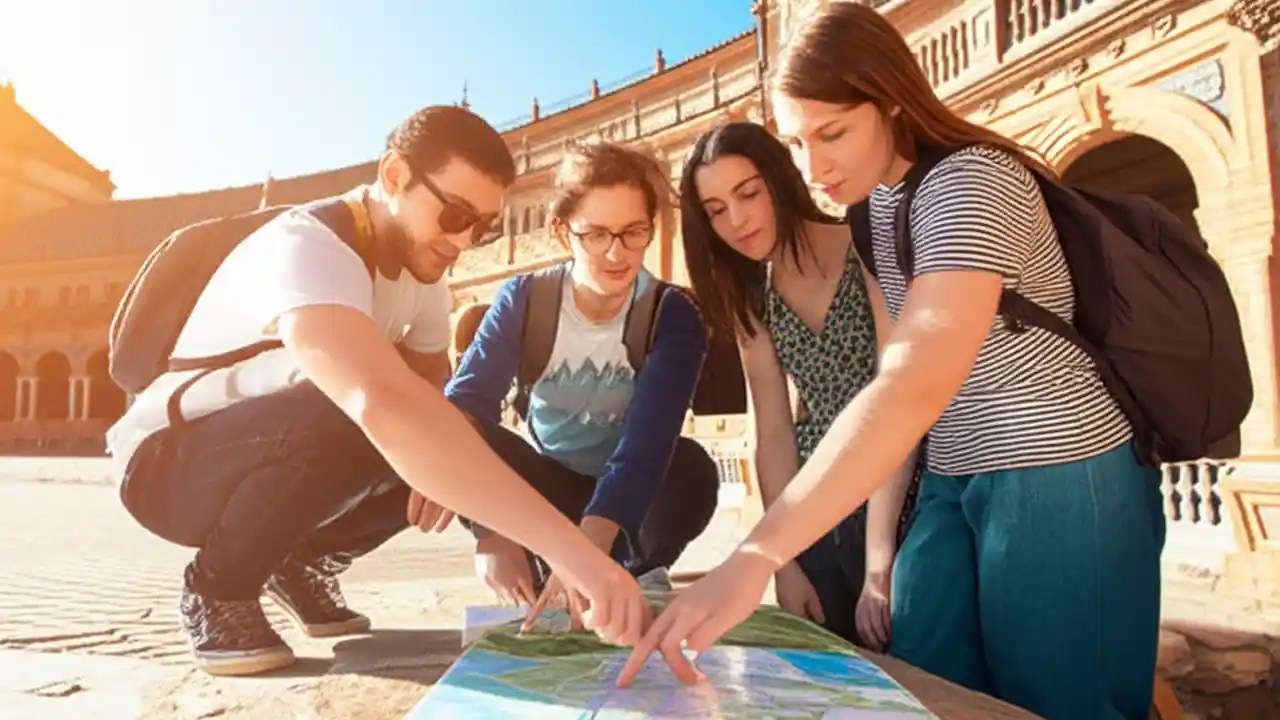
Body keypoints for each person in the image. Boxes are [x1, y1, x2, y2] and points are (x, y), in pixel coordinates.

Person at [622, 6, 1164, 720]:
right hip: (952, 473)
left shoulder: (974, 180)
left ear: (892, 101)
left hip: (1056, 465)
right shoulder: (881, 206)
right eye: (798, 142)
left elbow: (910, 380)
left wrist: (756, 556)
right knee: (927, 681)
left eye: (833, 133)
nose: (813, 167)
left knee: (1058, 699)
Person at [106, 106, 652, 677]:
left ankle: (301, 565)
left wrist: (493, 523)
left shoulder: (425, 277)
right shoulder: (307, 246)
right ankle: (217, 586)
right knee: (373, 411)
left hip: (276, 447)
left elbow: (438, 407)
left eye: (482, 226)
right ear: (395, 176)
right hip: (167, 468)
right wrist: (575, 556)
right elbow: (378, 401)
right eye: (455, 214)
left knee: (445, 430)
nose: (464, 240)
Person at [446, 141, 719, 623]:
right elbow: (469, 401)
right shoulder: (524, 299)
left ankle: (636, 568)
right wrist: (489, 528)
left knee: (692, 470)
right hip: (549, 489)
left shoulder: (673, 313)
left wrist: (592, 552)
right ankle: (548, 559)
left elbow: (647, 444)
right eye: (595, 235)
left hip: (633, 497)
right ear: (560, 232)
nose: (616, 253)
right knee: (454, 426)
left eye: (633, 232)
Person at [678, 121, 915, 648]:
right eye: (715, 210)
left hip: (904, 481)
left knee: (918, 650)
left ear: (780, 180)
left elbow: (897, 395)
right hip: (819, 500)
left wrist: (880, 562)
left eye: (748, 193)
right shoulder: (751, 296)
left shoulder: (865, 242)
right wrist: (782, 564)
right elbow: (776, 432)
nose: (736, 221)